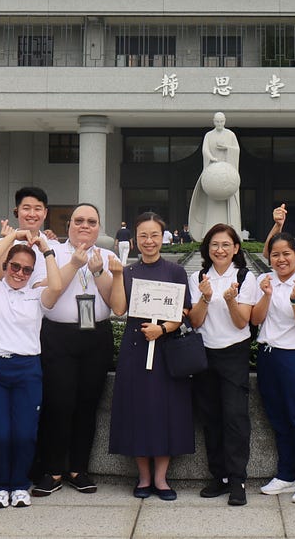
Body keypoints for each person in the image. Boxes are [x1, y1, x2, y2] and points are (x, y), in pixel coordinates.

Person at [34, 202, 122, 496]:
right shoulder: (51, 252)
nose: (85, 226)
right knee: (58, 404)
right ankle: (53, 469)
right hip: (59, 336)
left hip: (96, 336)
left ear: (99, 227)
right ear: (68, 224)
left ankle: (78, 469)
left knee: (87, 404)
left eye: (92, 222)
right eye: (79, 221)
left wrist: (99, 273)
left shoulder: (108, 256)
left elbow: (116, 305)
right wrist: (75, 263)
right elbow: (45, 292)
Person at [0, 219, 60, 509]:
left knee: (24, 432)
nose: (20, 273)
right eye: (14, 267)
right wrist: (14, 237)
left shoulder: (36, 294)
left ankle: (20, 484)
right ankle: (0, 485)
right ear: (6, 265)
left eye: (26, 269)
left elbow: (57, 284)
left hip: (27, 369)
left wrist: (45, 248)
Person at [108, 212, 194, 500]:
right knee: (138, 410)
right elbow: (119, 309)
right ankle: (143, 478)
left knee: (165, 410)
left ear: (163, 237)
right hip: (135, 349)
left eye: (154, 235)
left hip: (165, 350)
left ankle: (161, 479)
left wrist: (163, 329)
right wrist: (118, 274)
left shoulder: (175, 271)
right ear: (135, 239)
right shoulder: (129, 272)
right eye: (143, 235)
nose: (149, 241)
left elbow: (185, 312)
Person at [188, 222, 262, 506]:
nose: (220, 250)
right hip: (204, 352)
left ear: (236, 249)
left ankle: (237, 479)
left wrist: (231, 300)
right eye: (215, 245)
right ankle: (217, 476)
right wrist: (205, 298)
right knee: (210, 416)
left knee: (235, 417)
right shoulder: (198, 277)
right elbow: (195, 321)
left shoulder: (245, 277)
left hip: (233, 353)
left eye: (226, 245)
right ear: (208, 248)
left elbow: (243, 321)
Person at [251, 231, 295, 504]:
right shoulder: (263, 280)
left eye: (286, 254)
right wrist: (267, 295)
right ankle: (287, 473)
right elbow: (256, 319)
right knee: (278, 419)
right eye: (275, 254)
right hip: (269, 355)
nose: (281, 259)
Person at [188, 111, 242, 241]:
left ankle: (232, 233)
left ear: (225, 121)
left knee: (228, 203)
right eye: (217, 121)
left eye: (221, 121)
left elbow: (236, 150)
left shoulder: (230, 134)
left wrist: (226, 148)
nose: (219, 124)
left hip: (227, 176)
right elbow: (205, 150)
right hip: (213, 176)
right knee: (212, 206)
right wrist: (211, 158)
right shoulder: (209, 135)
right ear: (213, 121)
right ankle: (208, 233)